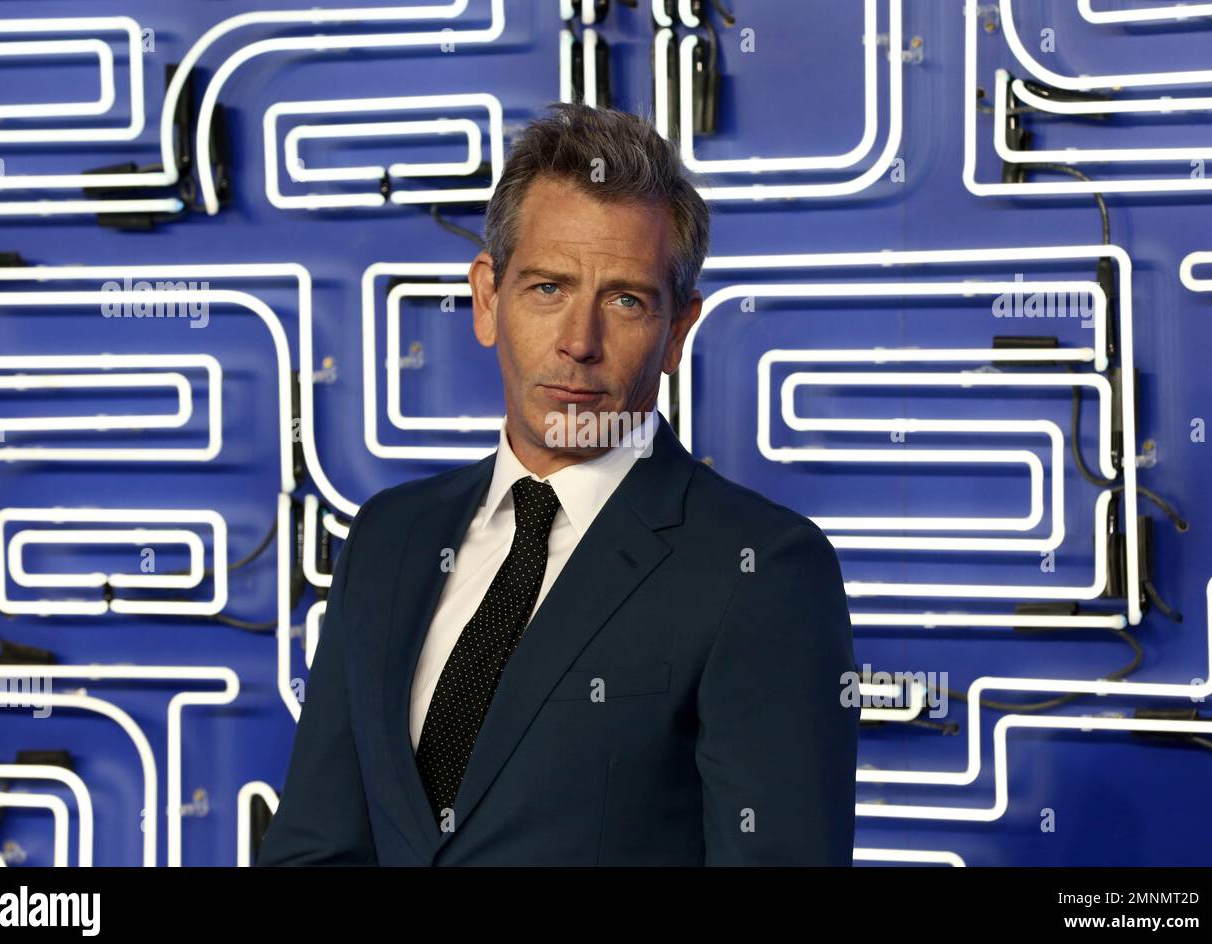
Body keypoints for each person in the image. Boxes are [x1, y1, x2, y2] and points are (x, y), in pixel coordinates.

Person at [258, 102, 858, 866]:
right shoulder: (389, 535)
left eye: (625, 300)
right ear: (486, 299)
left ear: (677, 332)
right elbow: (313, 850)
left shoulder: (762, 568)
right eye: (547, 289)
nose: (579, 343)